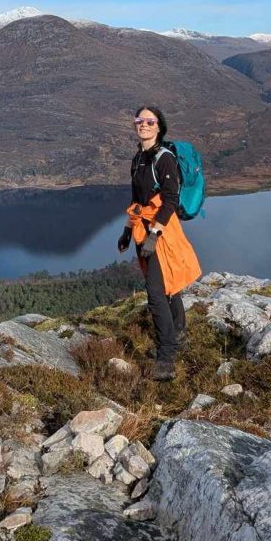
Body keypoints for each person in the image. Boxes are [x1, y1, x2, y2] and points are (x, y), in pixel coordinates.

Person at [117, 106, 201, 381]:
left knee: (155, 293)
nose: (143, 125)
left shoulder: (164, 159)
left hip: (162, 231)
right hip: (142, 229)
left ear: (159, 127)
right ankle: (179, 333)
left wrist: (154, 234)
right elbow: (137, 200)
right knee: (166, 285)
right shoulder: (138, 158)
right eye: (139, 120)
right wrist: (126, 231)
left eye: (150, 121)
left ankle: (166, 358)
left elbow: (170, 200)